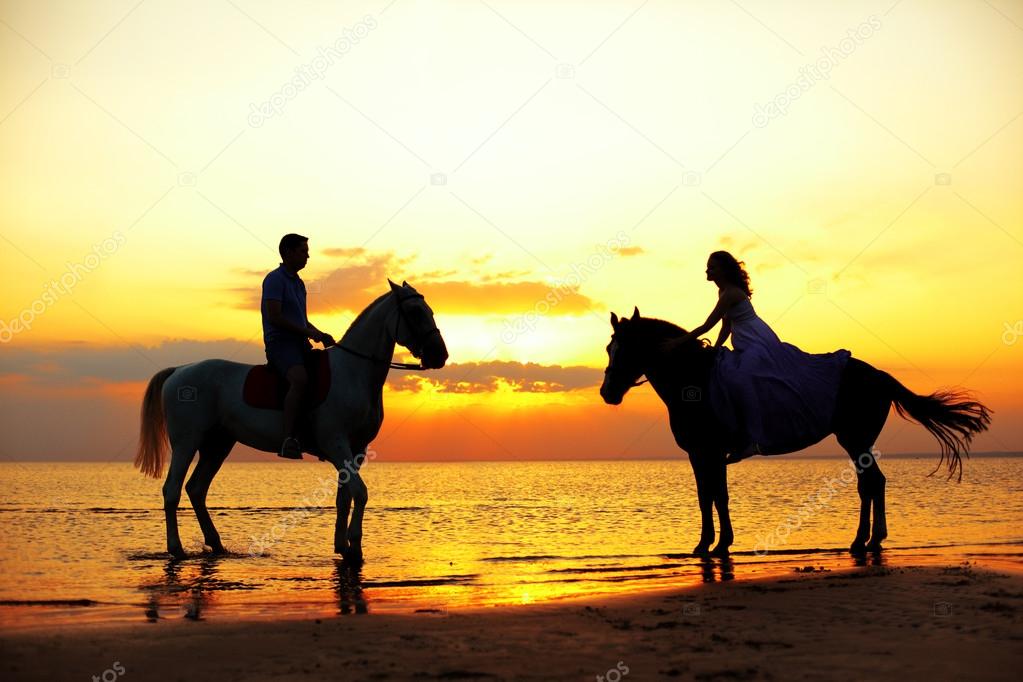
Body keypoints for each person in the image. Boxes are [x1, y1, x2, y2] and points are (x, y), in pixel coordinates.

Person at [662, 250, 850, 462]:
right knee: (733, 374)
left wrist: (678, 342)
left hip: (756, 340)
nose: (707, 270)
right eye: (708, 266)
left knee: (742, 377)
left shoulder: (731, 293)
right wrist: (717, 346)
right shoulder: (723, 292)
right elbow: (726, 325)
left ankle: (753, 439)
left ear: (723, 270)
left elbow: (708, 325)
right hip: (744, 342)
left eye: (712, 267)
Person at [262, 234, 336, 459]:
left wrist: (319, 333)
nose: (308, 256)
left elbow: (301, 320)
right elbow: (275, 317)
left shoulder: (299, 283)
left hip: (300, 345)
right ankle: (287, 439)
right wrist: (308, 333)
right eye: (303, 251)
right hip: (280, 345)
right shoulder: (274, 279)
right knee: (300, 379)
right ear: (288, 252)